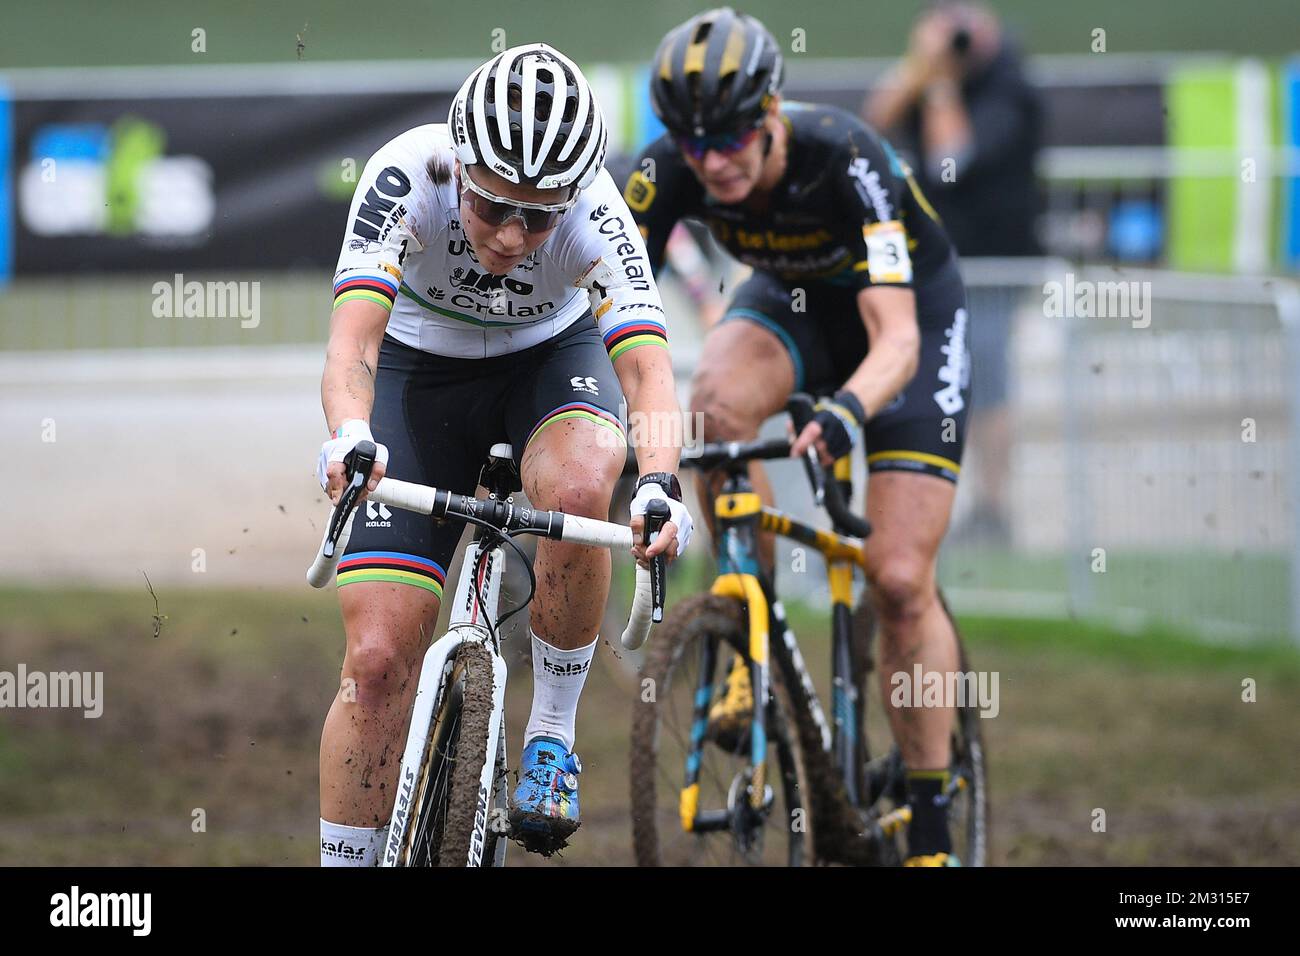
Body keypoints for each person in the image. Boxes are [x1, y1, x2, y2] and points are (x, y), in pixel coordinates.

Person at [316, 43, 692, 863]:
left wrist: (661, 483)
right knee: (378, 658)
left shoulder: (595, 209)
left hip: (547, 363)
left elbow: (647, 370)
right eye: (494, 209)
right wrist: (350, 432)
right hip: (418, 372)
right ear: (459, 168)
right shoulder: (406, 175)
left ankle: (552, 737)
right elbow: (353, 343)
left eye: (541, 215)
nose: (517, 236)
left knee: (587, 479)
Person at [625, 7, 971, 865]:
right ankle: (744, 635)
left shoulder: (847, 157)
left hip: (904, 328)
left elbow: (896, 338)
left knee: (896, 577)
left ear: (772, 113)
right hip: (792, 305)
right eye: (694, 144)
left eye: (734, 137)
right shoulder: (667, 169)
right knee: (714, 407)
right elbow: (611, 310)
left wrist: (847, 410)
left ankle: (929, 820)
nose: (714, 162)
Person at [865, 1, 1043, 545]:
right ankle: (930, 507)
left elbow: (951, 159)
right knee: (931, 383)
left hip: (995, 267)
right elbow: (875, 120)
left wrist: (940, 84)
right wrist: (921, 66)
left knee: (987, 385)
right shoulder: (931, 74)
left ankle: (993, 509)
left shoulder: (1009, 84)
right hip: (941, 268)